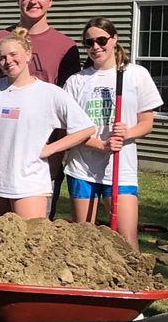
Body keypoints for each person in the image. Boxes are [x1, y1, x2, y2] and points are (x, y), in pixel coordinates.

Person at [0, 0, 82, 218]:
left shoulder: (65, 46)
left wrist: (56, 153)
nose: (34, 1)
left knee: (34, 237)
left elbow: (68, 104)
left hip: (38, 158)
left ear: (50, 1)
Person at [0, 28, 95, 221]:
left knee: (29, 242)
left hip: (30, 180)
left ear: (28, 55)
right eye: (2, 58)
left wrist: (51, 149)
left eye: (13, 54)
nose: (8, 61)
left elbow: (86, 129)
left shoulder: (50, 93)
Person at [63, 18, 162, 249]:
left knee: (126, 239)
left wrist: (126, 133)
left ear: (114, 39)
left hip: (121, 167)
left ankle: (132, 283)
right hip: (82, 167)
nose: (96, 47)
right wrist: (99, 144)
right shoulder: (77, 81)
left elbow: (147, 123)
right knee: (83, 238)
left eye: (101, 40)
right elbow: (70, 129)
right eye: (89, 43)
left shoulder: (135, 74)